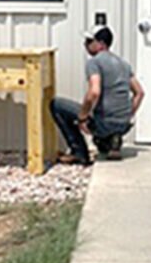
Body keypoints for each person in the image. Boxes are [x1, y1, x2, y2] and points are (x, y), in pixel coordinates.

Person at [50, 26, 145, 165]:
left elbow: (94, 92)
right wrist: (127, 115)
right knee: (100, 143)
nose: (85, 44)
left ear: (101, 44)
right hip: (124, 124)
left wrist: (82, 118)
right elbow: (140, 93)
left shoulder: (94, 62)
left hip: (104, 123)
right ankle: (113, 140)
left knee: (56, 105)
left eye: (89, 41)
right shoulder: (124, 64)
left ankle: (79, 153)